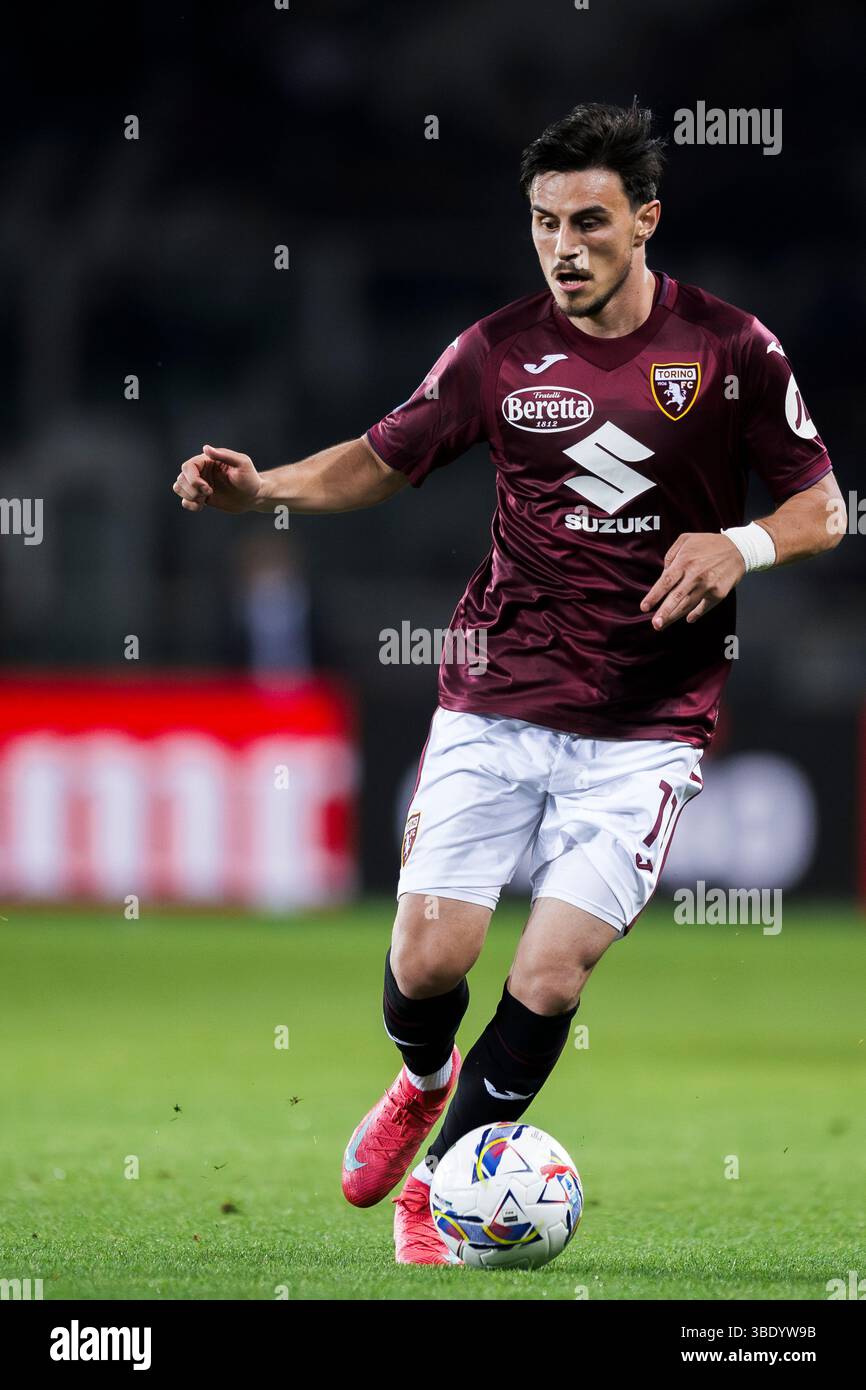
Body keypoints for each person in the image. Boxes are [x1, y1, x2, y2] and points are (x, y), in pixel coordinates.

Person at [172, 101, 842, 1265]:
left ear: (645, 220)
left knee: (548, 964)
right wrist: (261, 488)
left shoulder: (733, 350)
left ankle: (441, 1185)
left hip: (647, 729)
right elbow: (379, 460)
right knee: (430, 958)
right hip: (496, 696)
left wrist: (739, 545)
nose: (563, 246)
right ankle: (424, 1080)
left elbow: (823, 505)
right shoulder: (494, 352)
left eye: (588, 221)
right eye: (542, 223)